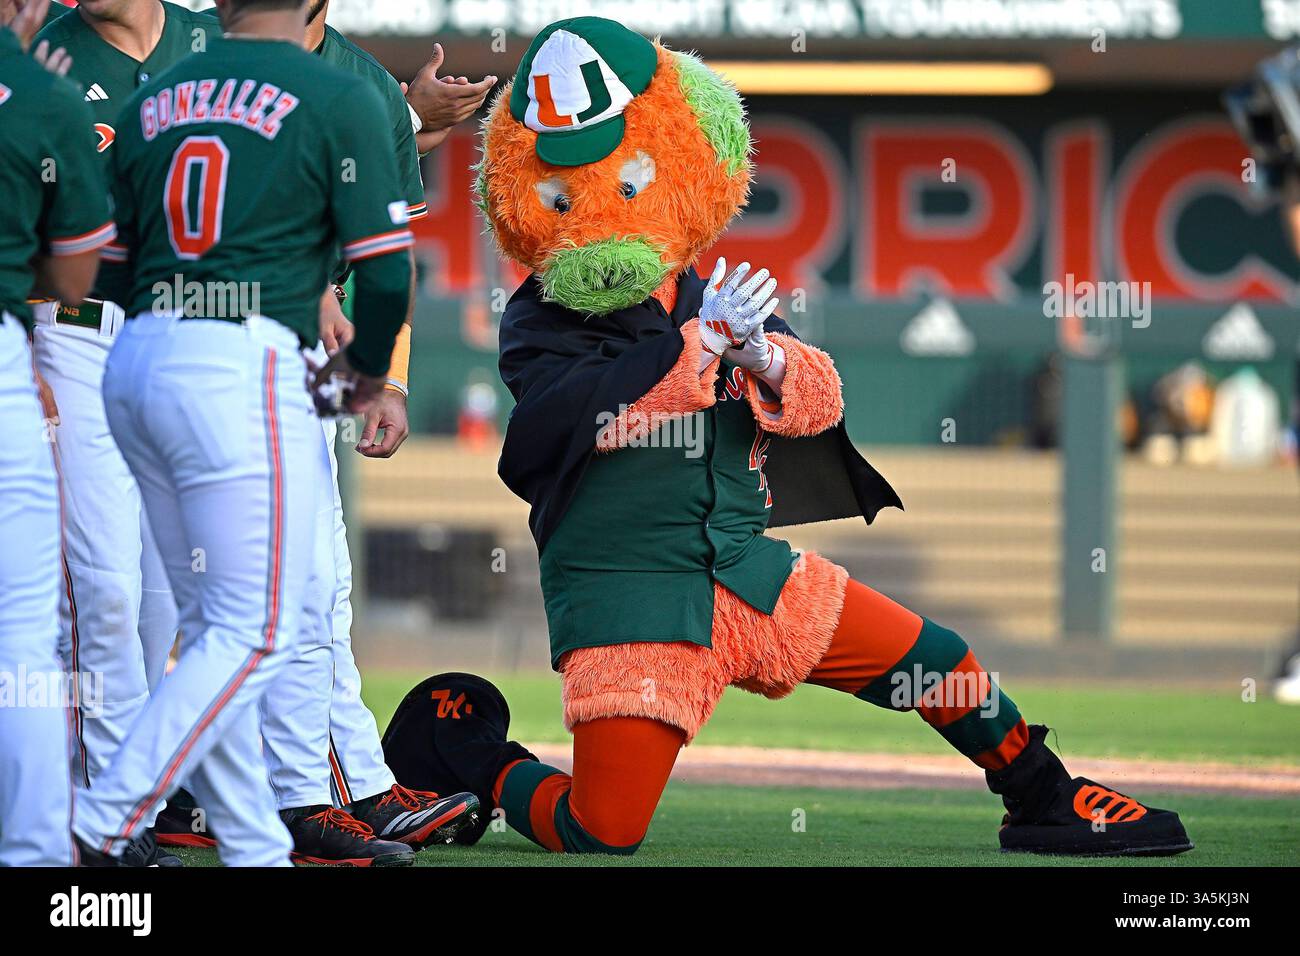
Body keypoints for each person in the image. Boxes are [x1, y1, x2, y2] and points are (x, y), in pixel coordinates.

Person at [72, 0, 413, 866]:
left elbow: (109, 258)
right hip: (240, 360)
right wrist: (362, 377)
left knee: (199, 617)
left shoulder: (161, 92)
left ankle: (254, 845)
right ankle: (102, 816)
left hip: (134, 352)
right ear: (316, 7)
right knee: (258, 626)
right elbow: (385, 272)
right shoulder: (340, 92)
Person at [0, 0, 115, 865]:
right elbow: (76, 270)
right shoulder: (46, 96)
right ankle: (39, 850)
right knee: (24, 625)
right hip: (16, 342)